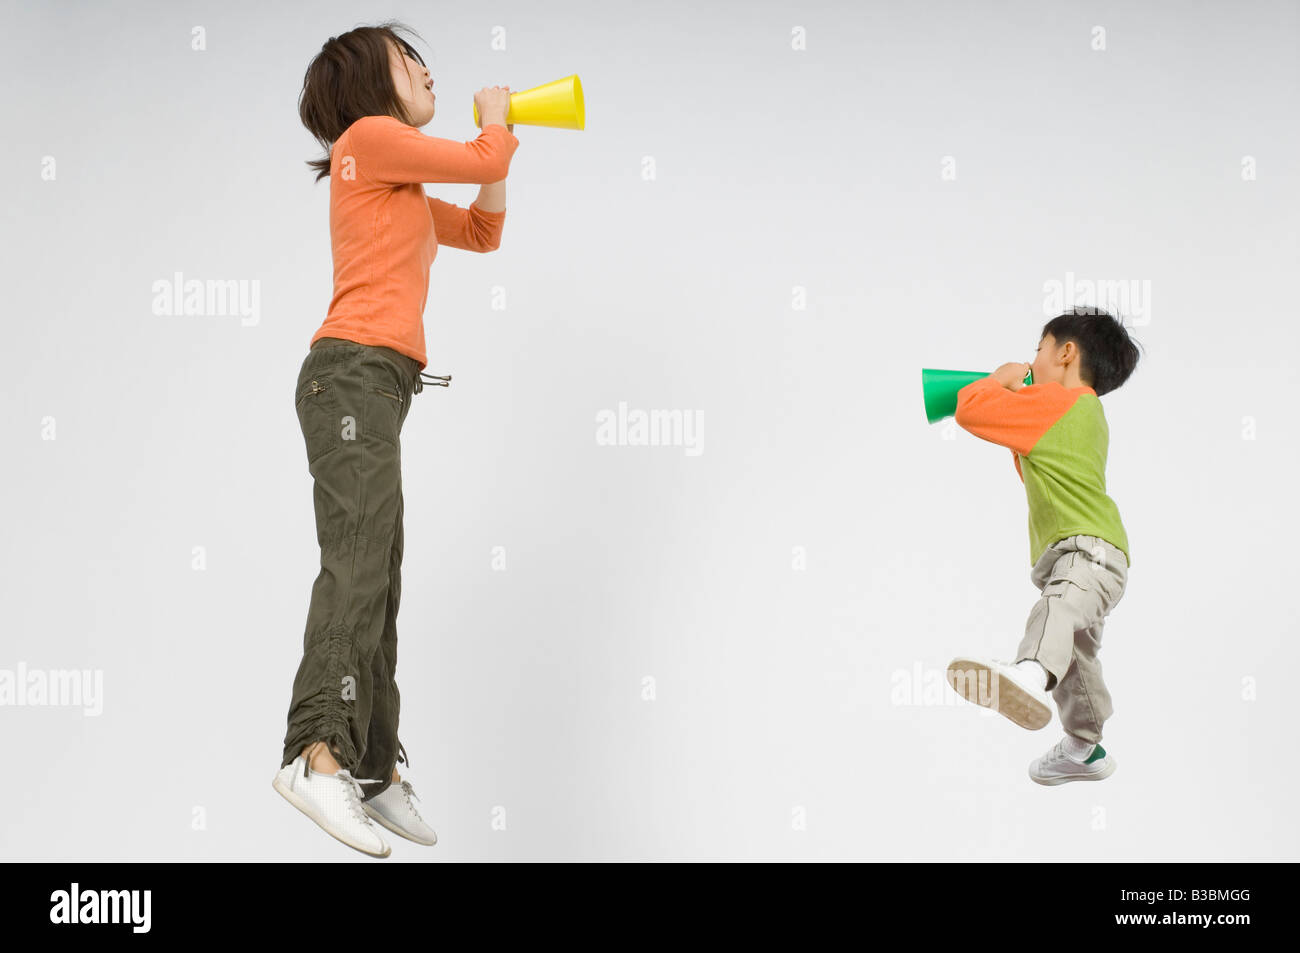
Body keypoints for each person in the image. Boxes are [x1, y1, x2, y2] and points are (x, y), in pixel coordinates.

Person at [271, 20, 520, 856]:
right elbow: (486, 162)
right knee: (357, 562)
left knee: (378, 573)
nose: (425, 69)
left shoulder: (397, 181)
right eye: (406, 58)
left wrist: (496, 143)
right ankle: (316, 754)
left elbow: (484, 229)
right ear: (365, 82)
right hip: (350, 376)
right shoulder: (369, 138)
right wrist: (497, 120)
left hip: (376, 387)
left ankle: (371, 770)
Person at [945, 307, 1142, 785]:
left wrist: (1000, 377)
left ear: (1066, 353)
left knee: (1054, 611)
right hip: (1097, 558)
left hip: (1087, 555)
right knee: (1075, 657)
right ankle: (1083, 746)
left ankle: (1030, 671)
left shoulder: (1061, 404)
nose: (1030, 362)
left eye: (1038, 352)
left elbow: (971, 408)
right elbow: (1029, 450)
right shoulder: (1078, 413)